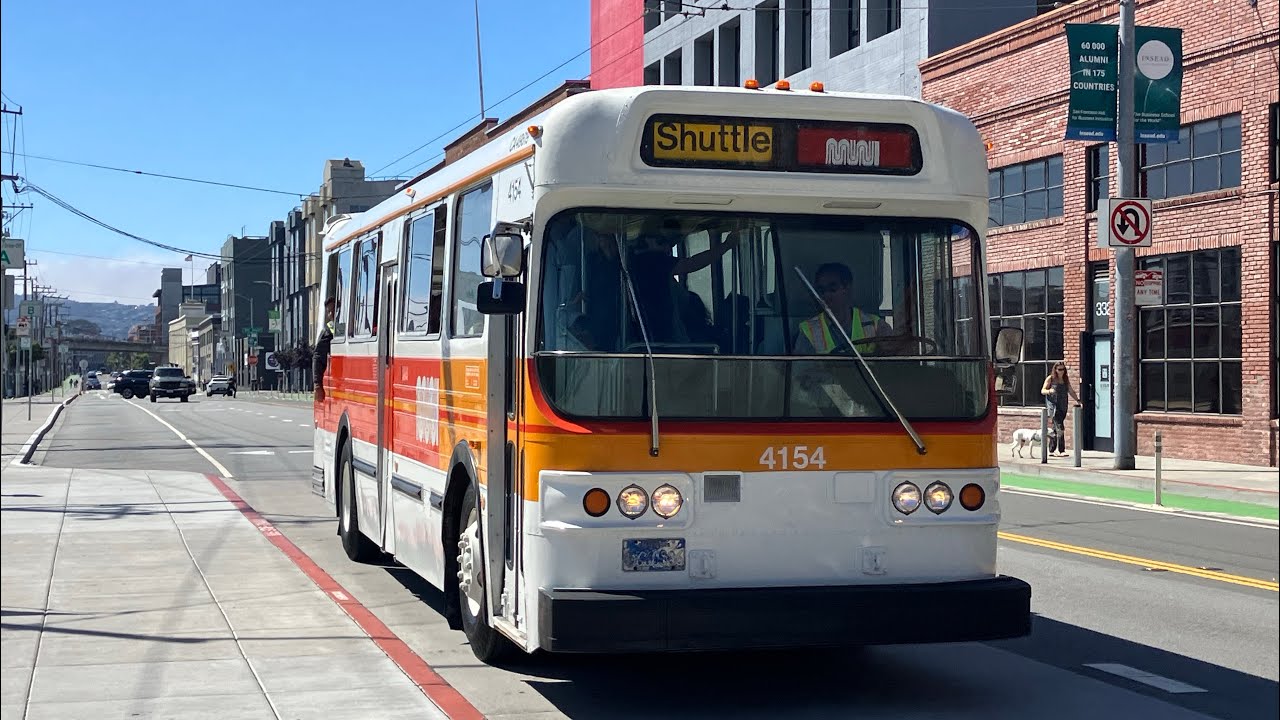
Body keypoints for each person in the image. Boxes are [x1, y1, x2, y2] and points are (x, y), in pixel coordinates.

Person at [794, 262, 892, 355]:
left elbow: (891, 365)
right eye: (821, 291)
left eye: (832, 289)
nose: (826, 295)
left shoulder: (876, 326)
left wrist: (885, 348)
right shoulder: (808, 331)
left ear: (847, 288)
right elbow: (802, 370)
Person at [1040, 362, 1082, 457]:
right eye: (1059, 369)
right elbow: (1042, 390)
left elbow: (1071, 390)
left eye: (1063, 369)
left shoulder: (1065, 379)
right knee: (1060, 427)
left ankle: (1051, 449)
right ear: (1055, 370)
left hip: (1062, 405)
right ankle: (1061, 449)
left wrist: (1078, 400)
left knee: (1055, 428)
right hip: (1053, 406)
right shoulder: (1050, 378)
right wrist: (1049, 391)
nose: (1061, 372)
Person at [313, 296, 337, 402]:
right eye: (329, 312)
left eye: (334, 310)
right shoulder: (329, 330)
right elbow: (318, 357)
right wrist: (318, 385)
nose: (331, 314)